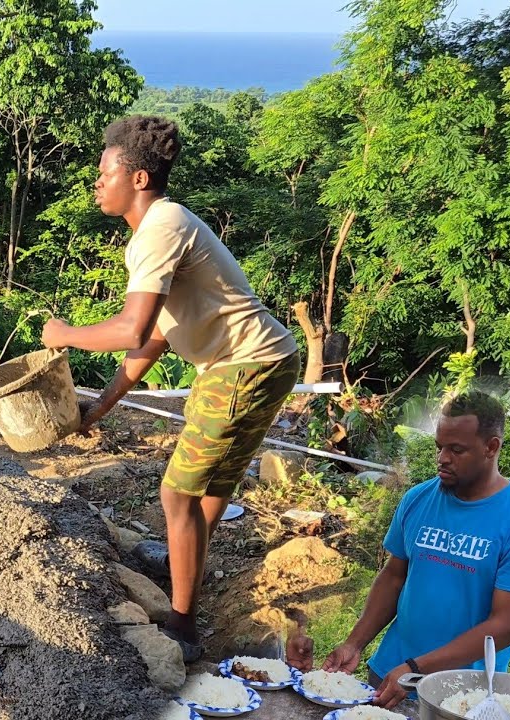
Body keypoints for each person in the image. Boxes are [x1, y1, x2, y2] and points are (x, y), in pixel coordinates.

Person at [41, 115, 300, 661]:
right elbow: (154, 336)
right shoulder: (161, 228)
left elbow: (130, 330)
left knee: (176, 493)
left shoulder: (161, 226)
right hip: (263, 361)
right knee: (205, 490)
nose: (97, 182)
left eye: (105, 171)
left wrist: (63, 334)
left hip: (243, 366)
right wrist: (102, 406)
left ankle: (183, 626)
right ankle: (183, 568)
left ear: (137, 178)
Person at [288, 391, 510, 709]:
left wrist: (416, 669)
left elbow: (505, 625)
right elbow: (394, 577)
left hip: (458, 699)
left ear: (491, 447)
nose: (442, 459)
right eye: (439, 447)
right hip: (388, 677)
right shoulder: (418, 499)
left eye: (456, 450)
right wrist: (354, 643)